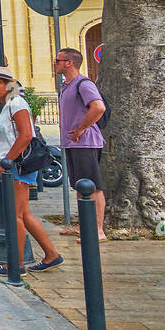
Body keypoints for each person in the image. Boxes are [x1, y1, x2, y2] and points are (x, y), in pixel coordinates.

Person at [0, 66, 63, 276]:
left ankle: (16, 265)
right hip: (14, 164)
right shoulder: (8, 105)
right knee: (24, 214)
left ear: (9, 84)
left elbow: (26, 135)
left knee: (15, 216)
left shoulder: (16, 103)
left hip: (17, 165)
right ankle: (51, 254)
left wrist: (6, 161)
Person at [55, 48, 108, 243]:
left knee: (93, 186)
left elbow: (98, 107)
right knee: (80, 185)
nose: (55, 63)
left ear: (69, 63)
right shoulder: (66, 86)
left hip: (85, 143)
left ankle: (98, 230)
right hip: (72, 144)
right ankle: (85, 225)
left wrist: (81, 129)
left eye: (58, 60)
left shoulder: (84, 84)